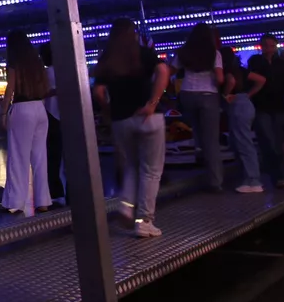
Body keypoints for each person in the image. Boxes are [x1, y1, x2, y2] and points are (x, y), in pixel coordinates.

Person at [93, 18, 171, 237]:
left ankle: (126, 206)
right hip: (149, 118)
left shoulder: (107, 58)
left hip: (121, 120)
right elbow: (163, 72)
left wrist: (109, 109)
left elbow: (98, 92)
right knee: (151, 170)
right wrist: (152, 103)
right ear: (133, 33)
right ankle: (144, 220)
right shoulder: (143, 53)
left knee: (131, 166)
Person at [0, 31, 52, 217]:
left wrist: (3, 112)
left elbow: (10, 88)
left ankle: (15, 202)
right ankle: (43, 201)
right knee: (40, 157)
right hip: (40, 108)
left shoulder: (14, 61)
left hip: (22, 109)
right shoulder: (37, 61)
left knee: (18, 157)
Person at [175, 23, 225, 191]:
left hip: (187, 95)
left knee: (197, 132)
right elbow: (220, 78)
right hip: (208, 95)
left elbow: (169, 70)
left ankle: (199, 157)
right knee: (211, 140)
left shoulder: (183, 52)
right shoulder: (214, 53)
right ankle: (215, 182)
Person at [248, 34, 284, 187]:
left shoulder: (280, 63)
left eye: (271, 45)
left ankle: (283, 174)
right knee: (268, 140)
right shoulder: (256, 61)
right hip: (262, 105)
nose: (268, 47)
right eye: (266, 45)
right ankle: (278, 175)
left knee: (279, 140)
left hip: (277, 104)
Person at [223, 44, 266, 193]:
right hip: (246, 103)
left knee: (242, 142)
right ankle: (249, 178)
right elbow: (261, 80)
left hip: (237, 105)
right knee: (243, 141)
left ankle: (253, 181)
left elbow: (231, 81)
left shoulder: (227, 71)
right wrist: (248, 94)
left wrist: (225, 95)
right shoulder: (240, 69)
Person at [37, 44, 65, 204]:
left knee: (51, 157)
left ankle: (54, 191)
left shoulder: (46, 73)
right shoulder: (63, 71)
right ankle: (61, 191)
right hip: (61, 115)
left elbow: (42, 92)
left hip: (50, 115)